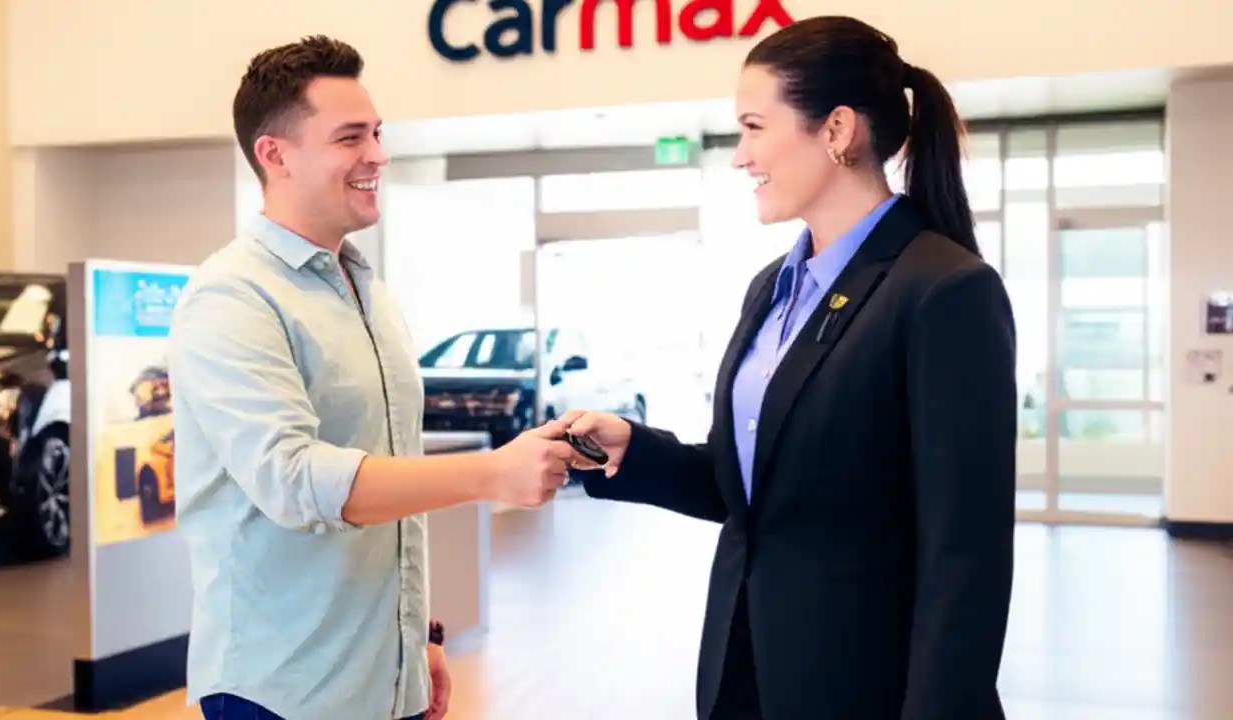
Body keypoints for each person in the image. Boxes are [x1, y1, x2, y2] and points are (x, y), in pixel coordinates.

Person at [563, 16, 1017, 720]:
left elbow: (967, 556)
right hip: (746, 672)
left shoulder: (943, 288)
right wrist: (635, 449)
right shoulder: (773, 285)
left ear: (836, 131)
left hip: (868, 685)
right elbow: (759, 488)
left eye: (753, 126)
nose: (741, 156)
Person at [169, 36, 578, 720]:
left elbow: (389, 481)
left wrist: (419, 630)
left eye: (378, 134)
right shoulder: (230, 296)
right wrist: (489, 474)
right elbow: (296, 479)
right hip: (283, 690)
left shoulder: (368, 291)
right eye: (350, 137)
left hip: (389, 680)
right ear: (275, 155)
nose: (379, 156)